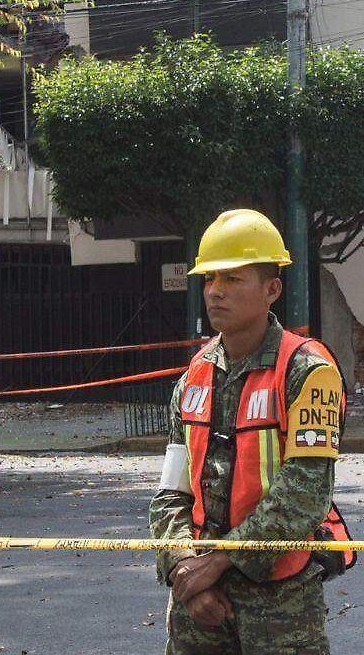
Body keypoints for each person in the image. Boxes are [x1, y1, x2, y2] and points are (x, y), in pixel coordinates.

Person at [150, 209, 353, 655]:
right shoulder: (193, 379)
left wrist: (218, 563)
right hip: (198, 605)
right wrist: (185, 571)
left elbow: (305, 493)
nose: (216, 291)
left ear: (271, 289)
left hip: (280, 604)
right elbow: (170, 493)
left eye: (233, 279)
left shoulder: (307, 371)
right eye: (209, 279)